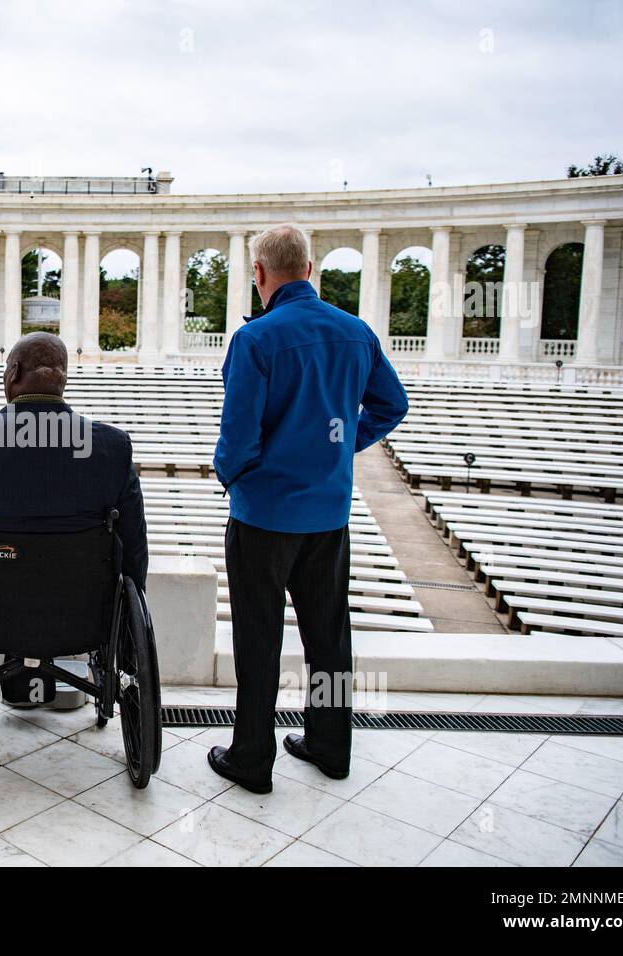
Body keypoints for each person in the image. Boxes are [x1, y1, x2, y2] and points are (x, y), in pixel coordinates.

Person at [209, 223, 408, 793]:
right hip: (329, 514)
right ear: (310, 270)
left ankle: (252, 756)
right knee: (329, 637)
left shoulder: (256, 340)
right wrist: (343, 443)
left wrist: (232, 474)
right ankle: (330, 745)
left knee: (258, 636)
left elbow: (239, 438)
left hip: (264, 514)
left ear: (260, 274)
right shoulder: (355, 332)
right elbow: (393, 405)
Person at [0, 331, 148, 614]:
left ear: (13, 373)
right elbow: (134, 538)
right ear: (63, 379)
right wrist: (137, 593)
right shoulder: (114, 447)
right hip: (83, 615)